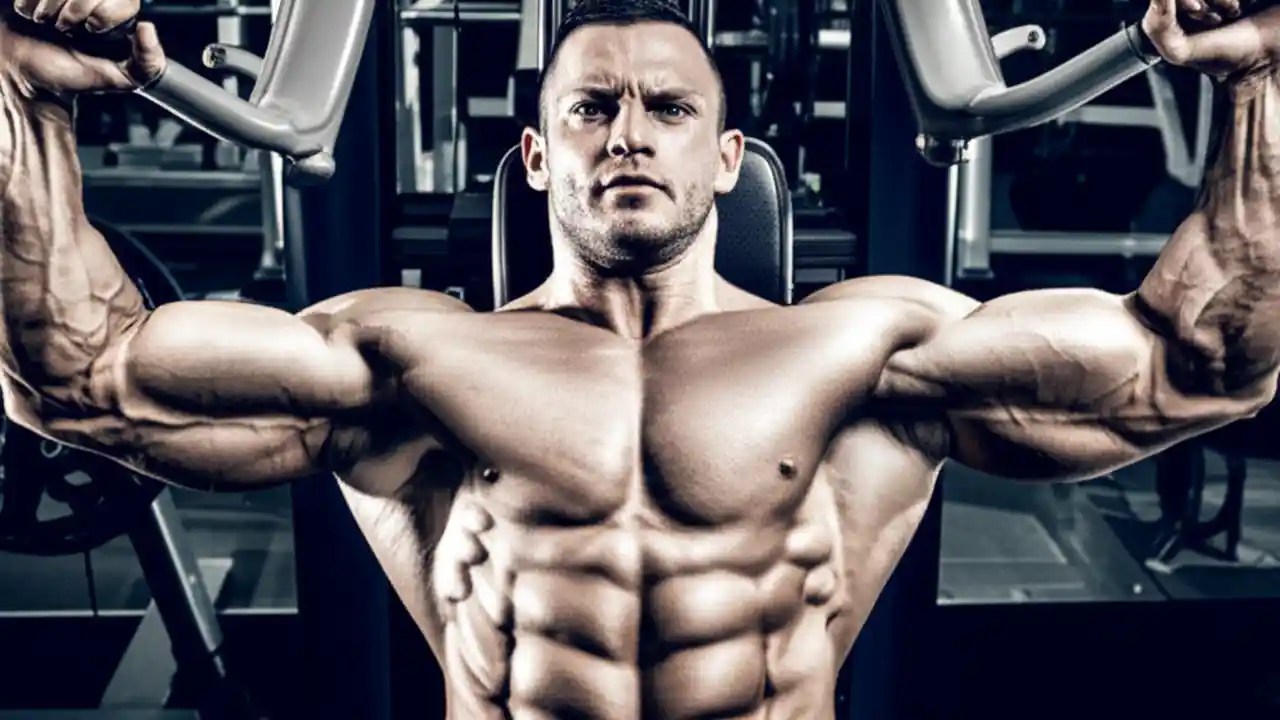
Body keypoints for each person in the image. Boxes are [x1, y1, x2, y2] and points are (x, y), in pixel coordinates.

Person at [1, 0, 1278, 716]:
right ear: (538, 158)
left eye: (669, 110)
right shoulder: (410, 357)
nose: (629, 135)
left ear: (725, 161)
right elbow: (74, 372)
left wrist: (1260, 77)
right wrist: (26, 94)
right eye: (589, 109)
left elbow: (1206, 365)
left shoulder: (864, 351)